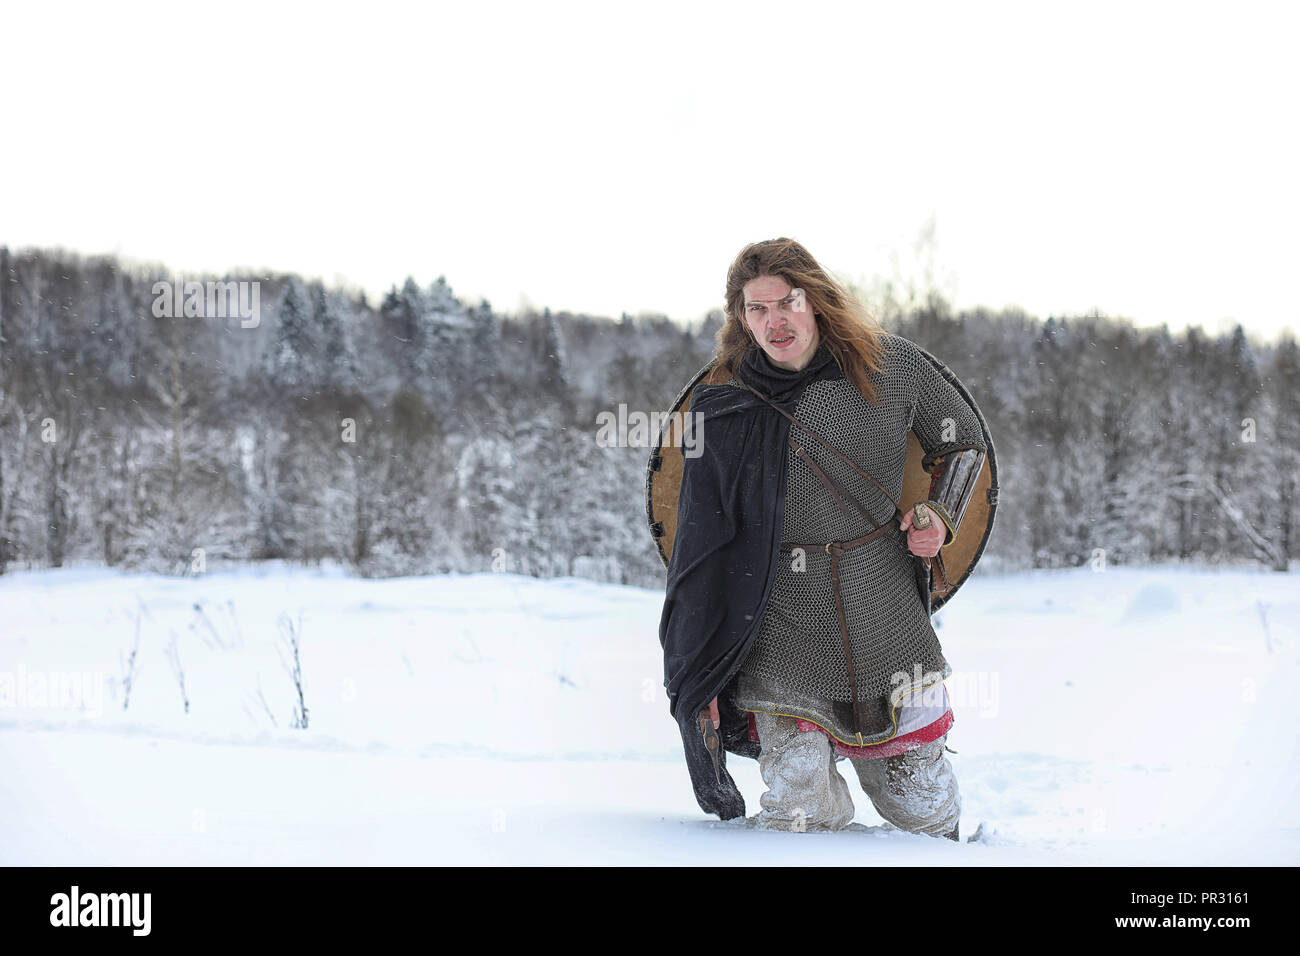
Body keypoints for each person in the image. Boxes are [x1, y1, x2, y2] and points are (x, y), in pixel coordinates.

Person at [658, 237, 988, 840]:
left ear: (817, 301)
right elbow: (701, 539)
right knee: (802, 810)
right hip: (781, 617)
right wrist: (700, 654)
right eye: (756, 309)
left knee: (922, 812)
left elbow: (962, 441)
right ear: (740, 319)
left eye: (787, 302)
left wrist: (940, 513)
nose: (774, 321)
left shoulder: (893, 369)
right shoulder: (729, 403)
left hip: (883, 606)